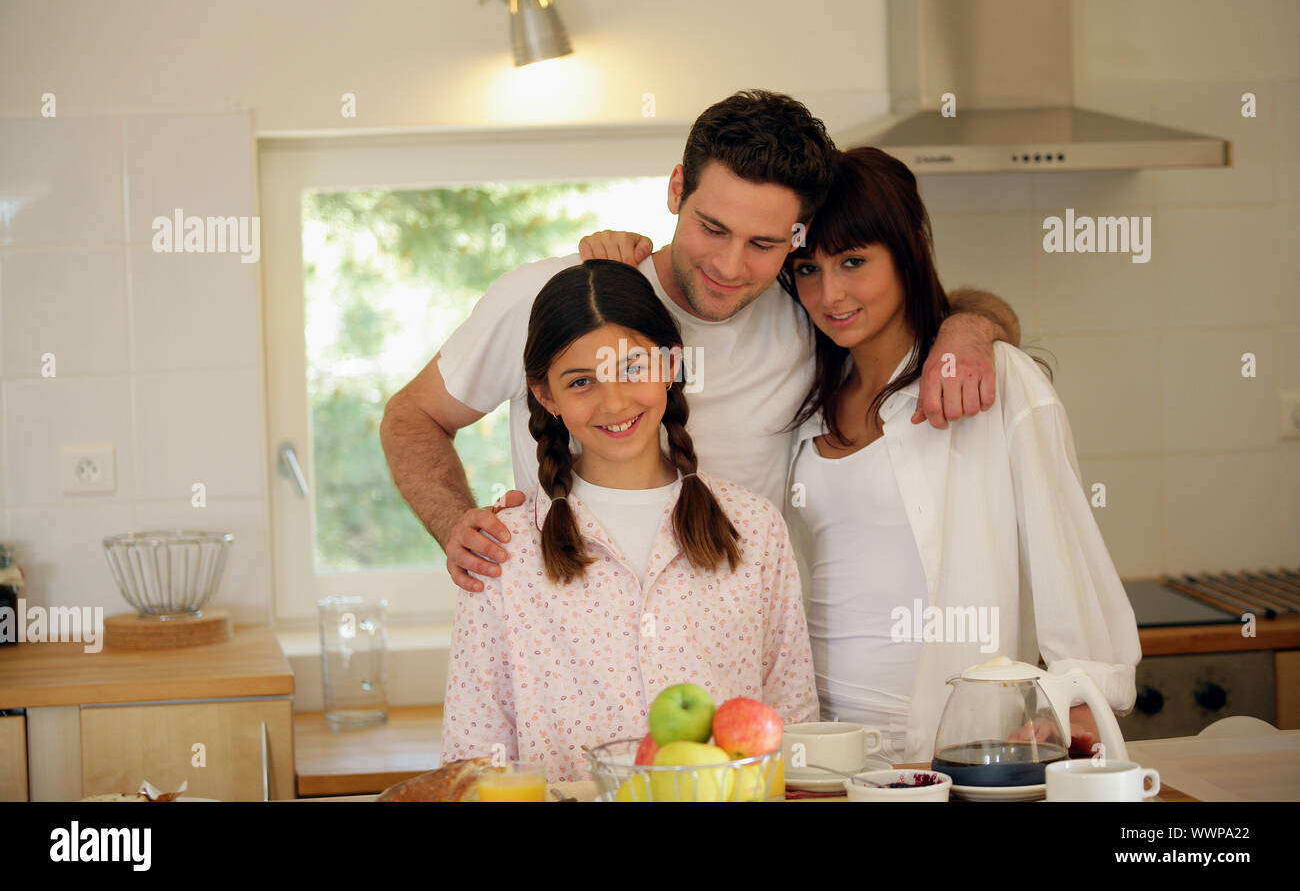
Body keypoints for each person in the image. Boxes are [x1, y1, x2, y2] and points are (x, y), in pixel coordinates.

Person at [380, 90, 1021, 596]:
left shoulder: (808, 312)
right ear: (675, 188)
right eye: (712, 228)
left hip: (736, 668)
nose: (731, 265)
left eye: (764, 244)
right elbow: (413, 416)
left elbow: (934, 306)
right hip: (572, 656)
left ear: (796, 238)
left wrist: (970, 328)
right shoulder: (550, 298)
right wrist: (453, 522)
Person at [778, 146, 1141, 764]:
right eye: (807, 269)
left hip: (954, 738)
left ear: (910, 249)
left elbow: (1066, 548)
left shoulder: (994, 381)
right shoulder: (801, 396)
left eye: (854, 261)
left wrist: (1080, 694)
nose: (830, 292)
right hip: (813, 741)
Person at [439, 259, 818, 781]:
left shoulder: (753, 529)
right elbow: (474, 756)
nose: (613, 401)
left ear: (670, 364)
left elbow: (791, 721)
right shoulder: (506, 550)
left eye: (633, 368)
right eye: (580, 382)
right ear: (545, 395)